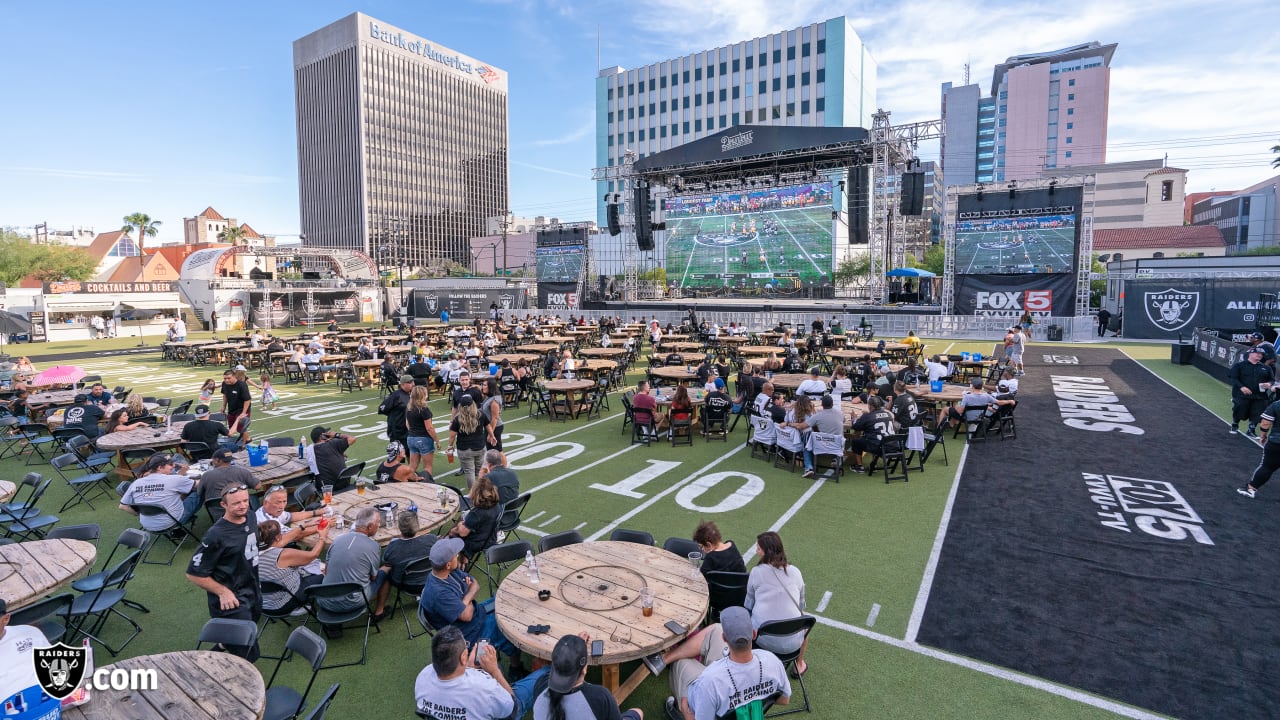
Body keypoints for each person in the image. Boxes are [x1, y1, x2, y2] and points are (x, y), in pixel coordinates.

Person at [648, 606, 791, 720]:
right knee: (716, 627)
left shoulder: (709, 680)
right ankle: (665, 660)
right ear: (754, 634)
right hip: (726, 686)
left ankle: (677, 708)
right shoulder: (772, 660)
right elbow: (785, 699)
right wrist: (751, 700)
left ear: (725, 638)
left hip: (713, 690)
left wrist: (686, 713)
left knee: (680, 662)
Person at [419, 537, 525, 672]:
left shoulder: (449, 571)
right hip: (468, 634)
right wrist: (469, 594)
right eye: (455, 555)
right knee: (508, 625)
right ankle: (516, 669)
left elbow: (474, 584)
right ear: (447, 564)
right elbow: (467, 615)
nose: (458, 555)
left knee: (506, 601)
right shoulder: (438, 593)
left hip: (476, 614)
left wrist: (465, 599)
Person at [186, 485, 261, 659]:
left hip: (252, 589)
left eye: (245, 500)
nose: (242, 506)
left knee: (250, 631)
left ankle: (224, 643)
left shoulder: (250, 516)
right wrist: (223, 591)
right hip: (232, 602)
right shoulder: (215, 535)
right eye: (236, 503)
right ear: (223, 505)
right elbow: (193, 573)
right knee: (250, 653)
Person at [415, 624, 549, 720]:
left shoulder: (423, 676)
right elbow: (512, 709)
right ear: (462, 657)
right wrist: (494, 671)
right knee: (547, 672)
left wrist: (469, 668)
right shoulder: (484, 687)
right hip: (505, 708)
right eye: (466, 645)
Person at [535, 632, 643, 720]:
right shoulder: (600, 697)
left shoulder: (540, 685)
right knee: (637, 712)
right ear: (585, 669)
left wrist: (575, 648)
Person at [745, 532, 809, 675]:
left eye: (759, 548)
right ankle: (799, 664)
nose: (756, 551)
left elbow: (748, 605)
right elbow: (801, 605)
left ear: (766, 552)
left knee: (747, 616)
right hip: (793, 644)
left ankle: (749, 662)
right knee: (805, 619)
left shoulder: (756, 572)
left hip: (763, 640)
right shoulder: (796, 572)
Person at [319, 507, 391, 628]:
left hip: (325, 600)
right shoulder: (373, 546)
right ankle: (379, 612)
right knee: (386, 570)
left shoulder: (337, 540)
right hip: (353, 602)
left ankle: (334, 625)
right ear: (369, 526)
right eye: (378, 523)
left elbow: (326, 571)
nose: (379, 525)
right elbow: (373, 578)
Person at [257, 519, 327, 615]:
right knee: (326, 571)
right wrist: (322, 537)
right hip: (284, 604)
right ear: (277, 537)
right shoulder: (282, 555)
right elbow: (313, 555)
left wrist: (303, 526)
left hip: (263, 605)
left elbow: (282, 541)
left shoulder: (251, 553)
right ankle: (297, 606)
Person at [120, 453, 199, 530]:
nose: (174, 465)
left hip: (147, 525)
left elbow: (123, 506)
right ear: (159, 468)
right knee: (199, 491)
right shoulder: (174, 479)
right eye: (170, 464)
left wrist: (140, 513)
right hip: (173, 522)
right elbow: (199, 484)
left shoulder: (136, 482)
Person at [382, 511, 437, 586]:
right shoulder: (432, 539)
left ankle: (381, 598)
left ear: (399, 527)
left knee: (385, 571)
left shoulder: (393, 547)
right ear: (417, 525)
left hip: (404, 584)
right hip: (429, 579)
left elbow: (387, 564)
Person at [255, 484, 320, 547]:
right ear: (265, 503)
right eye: (278, 502)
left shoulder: (270, 510)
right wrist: (322, 526)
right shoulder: (267, 521)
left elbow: (291, 516)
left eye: (284, 501)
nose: (282, 506)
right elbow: (296, 535)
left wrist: (316, 512)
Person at [450, 395, 493, 490]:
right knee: (481, 471)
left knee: (470, 472)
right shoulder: (481, 414)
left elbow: (452, 435)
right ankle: (485, 490)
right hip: (479, 447)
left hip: (464, 449)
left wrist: (450, 446)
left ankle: (473, 494)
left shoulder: (458, 418)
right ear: (473, 404)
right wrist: (492, 435)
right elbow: (488, 426)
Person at [1229, 347, 1274, 435]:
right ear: (1250, 354)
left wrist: (1269, 384)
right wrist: (1242, 387)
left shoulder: (1266, 368)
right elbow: (1233, 377)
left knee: (1257, 412)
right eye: (1257, 353)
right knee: (1240, 409)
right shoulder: (1239, 365)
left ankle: (1251, 430)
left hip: (1260, 395)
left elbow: (1272, 380)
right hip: (1241, 394)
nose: (1259, 355)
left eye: (1261, 354)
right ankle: (1235, 424)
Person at [848, 396, 897, 473]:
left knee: (856, 442)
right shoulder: (888, 414)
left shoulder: (867, 416)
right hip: (893, 445)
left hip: (879, 447)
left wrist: (854, 418)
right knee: (875, 436)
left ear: (870, 406)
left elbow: (856, 427)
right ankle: (874, 464)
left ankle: (859, 466)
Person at [800, 395, 845, 477]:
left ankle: (808, 468)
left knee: (807, 445)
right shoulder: (840, 413)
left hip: (821, 446)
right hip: (837, 446)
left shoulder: (817, 416)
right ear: (832, 404)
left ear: (822, 404)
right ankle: (836, 459)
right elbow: (843, 421)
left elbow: (803, 426)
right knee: (840, 435)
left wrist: (789, 424)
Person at [405, 385, 438, 477]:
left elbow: (407, 424)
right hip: (424, 439)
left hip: (411, 438)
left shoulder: (409, 408)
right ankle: (428, 485)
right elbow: (429, 428)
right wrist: (437, 441)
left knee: (412, 466)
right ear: (423, 395)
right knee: (427, 467)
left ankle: (407, 483)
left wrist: (414, 433)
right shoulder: (424, 410)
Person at [379, 375, 415, 449]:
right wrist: (394, 416)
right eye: (410, 383)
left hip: (407, 429)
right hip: (397, 430)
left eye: (413, 382)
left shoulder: (410, 394)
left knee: (410, 452)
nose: (413, 384)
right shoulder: (396, 395)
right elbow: (382, 408)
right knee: (398, 454)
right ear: (403, 384)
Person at [219, 369, 252, 438]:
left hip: (241, 409)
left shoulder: (241, 385)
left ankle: (246, 441)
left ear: (234, 376)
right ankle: (231, 443)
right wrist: (223, 406)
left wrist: (243, 413)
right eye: (225, 378)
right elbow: (225, 395)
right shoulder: (224, 384)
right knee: (231, 428)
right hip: (231, 409)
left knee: (241, 428)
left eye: (229, 378)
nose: (226, 380)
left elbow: (247, 400)